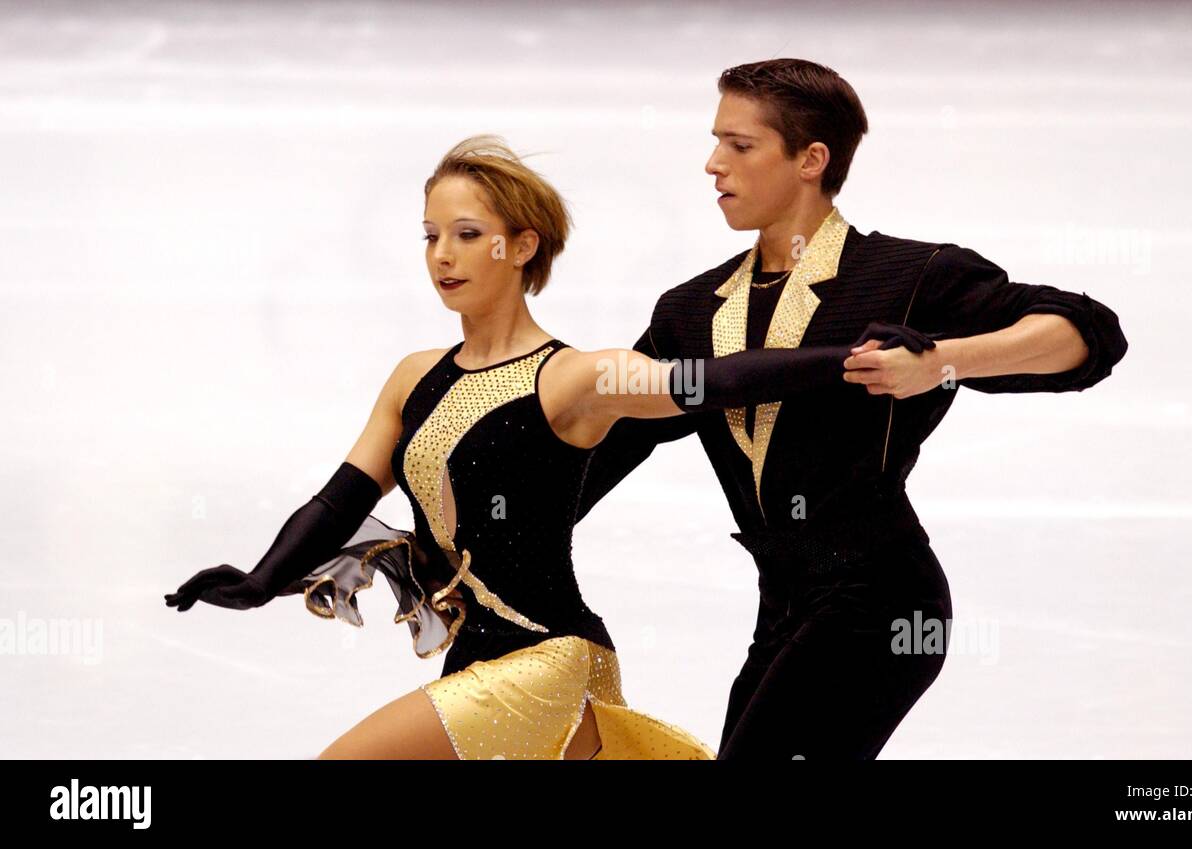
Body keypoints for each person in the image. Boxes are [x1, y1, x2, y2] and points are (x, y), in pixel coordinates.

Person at [163, 134, 900, 761]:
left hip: (549, 661)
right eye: (431, 235)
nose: (443, 256)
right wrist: (262, 580)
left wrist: (844, 359)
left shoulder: (572, 378)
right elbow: (341, 499)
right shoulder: (412, 376)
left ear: (522, 246)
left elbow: (715, 378)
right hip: (473, 660)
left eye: (468, 234)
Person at [573, 58, 1130, 760]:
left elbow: (1086, 334)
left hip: (881, 602)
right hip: (783, 609)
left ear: (812, 159)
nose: (713, 164)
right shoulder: (690, 310)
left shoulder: (906, 277)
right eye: (716, 141)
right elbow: (611, 438)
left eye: (740, 146)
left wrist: (939, 361)